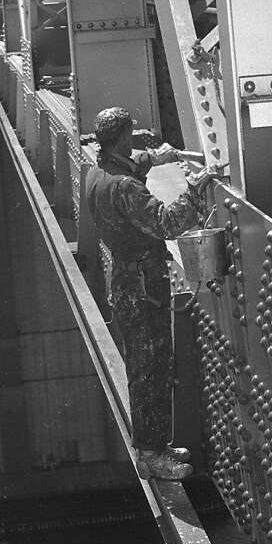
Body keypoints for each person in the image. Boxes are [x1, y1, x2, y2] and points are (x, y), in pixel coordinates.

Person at [86, 105, 216, 482]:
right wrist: (195, 189)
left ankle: (155, 445)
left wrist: (159, 157)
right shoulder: (125, 188)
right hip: (143, 291)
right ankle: (152, 455)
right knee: (150, 373)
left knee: (148, 370)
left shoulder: (99, 173)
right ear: (124, 136)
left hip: (129, 285)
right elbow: (166, 223)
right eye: (132, 133)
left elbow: (132, 166)